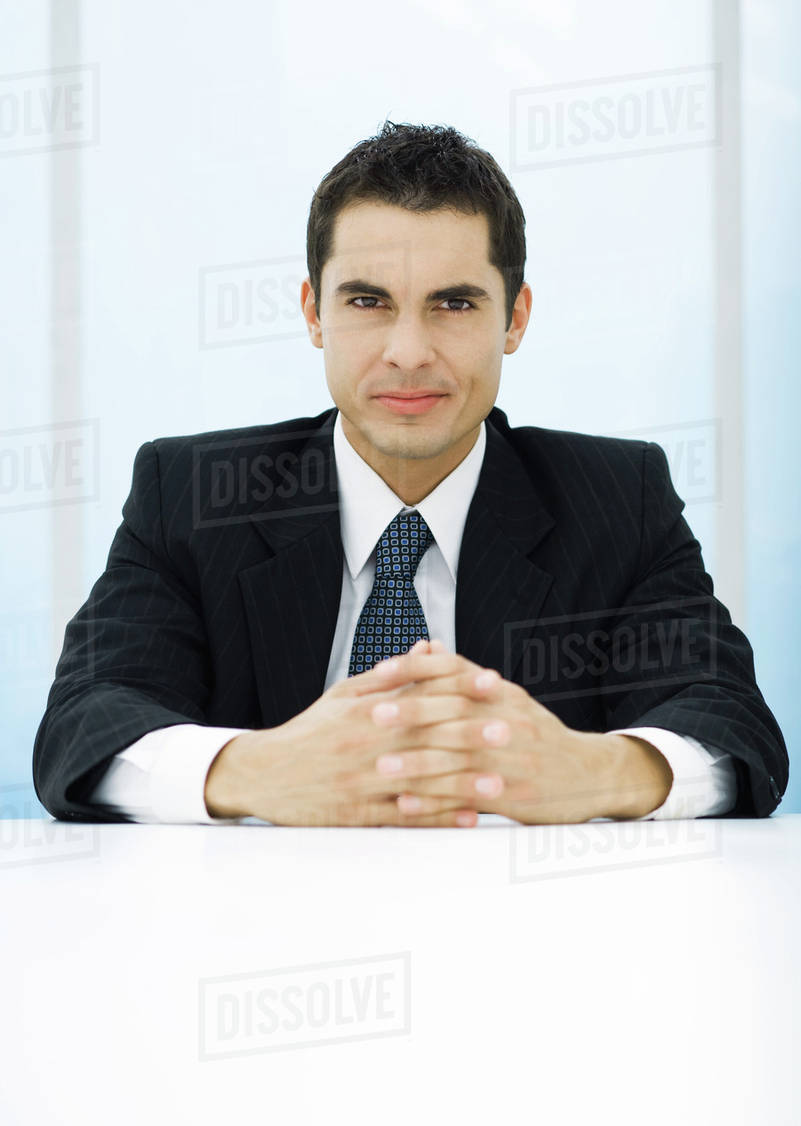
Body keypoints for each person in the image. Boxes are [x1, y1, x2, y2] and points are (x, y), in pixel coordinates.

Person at [32, 120, 788, 827]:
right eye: (368, 301)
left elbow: (732, 728)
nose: (408, 352)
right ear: (313, 313)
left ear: (515, 318)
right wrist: (254, 771)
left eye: (453, 303)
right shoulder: (191, 496)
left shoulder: (619, 500)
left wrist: (596, 773)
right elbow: (84, 726)